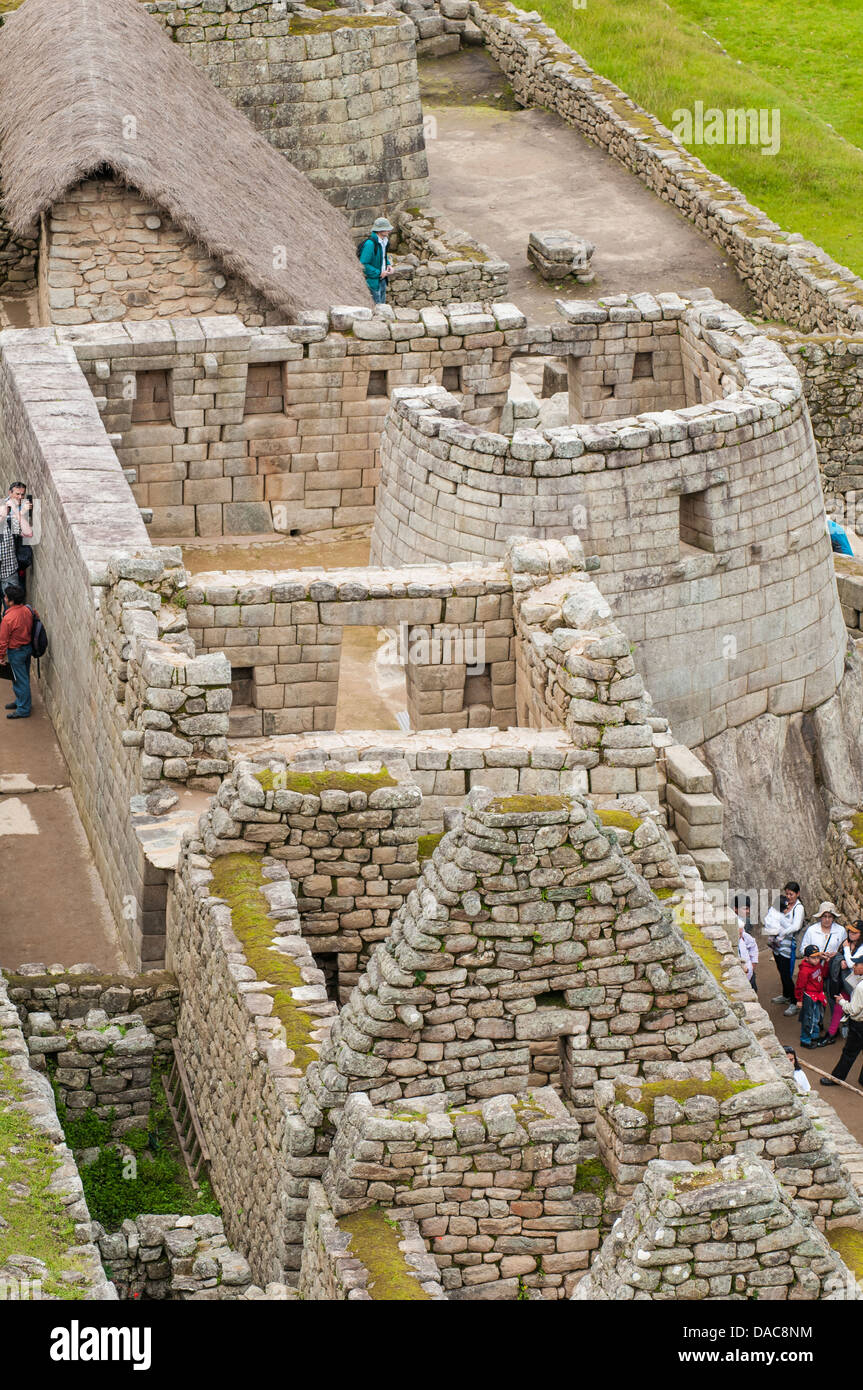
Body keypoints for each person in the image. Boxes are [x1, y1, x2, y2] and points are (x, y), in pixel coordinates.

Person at [821, 958, 863, 1089]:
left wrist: (841, 1001)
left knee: (849, 1053)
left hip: (859, 1025)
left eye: (857, 964)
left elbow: (853, 1010)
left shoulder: (861, 988)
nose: (853, 966)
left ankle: (837, 1078)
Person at [764, 883, 803, 1014]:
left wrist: (781, 933)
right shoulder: (781, 904)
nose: (788, 896)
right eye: (787, 893)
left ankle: (794, 1001)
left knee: (786, 973)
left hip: (787, 944)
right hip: (777, 944)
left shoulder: (798, 908)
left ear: (797, 894)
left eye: (791, 894)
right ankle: (786, 995)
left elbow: (796, 926)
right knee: (781, 969)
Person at [0, 583, 37, 718]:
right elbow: (35, 617)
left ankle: (23, 710)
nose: (4, 598)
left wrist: (1, 657)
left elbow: (2, 641)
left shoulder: (8, 619)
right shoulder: (28, 610)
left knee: (20, 680)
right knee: (22, 678)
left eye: (6, 597)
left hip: (16, 652)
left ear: (11, 601)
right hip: (27, 648)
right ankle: (20, 701)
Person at [825, 921, 863, 1043]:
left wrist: (846, 950)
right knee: (838, 1005)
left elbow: (852, 963)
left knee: (853, 1009)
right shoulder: (846, 943)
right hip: (845, 982)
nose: (851, 933)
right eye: (850, 931)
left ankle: (841, 1032)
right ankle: (831, 1034)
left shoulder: (859, 947)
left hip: (855, 984)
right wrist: (839, 957)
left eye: (855, 932)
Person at [0, 480, 32, 599]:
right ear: (10, 493)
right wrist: (21, 512)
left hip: (9, 569)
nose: (20, 497)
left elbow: (27, 532)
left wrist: (19, 513)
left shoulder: (9, 521)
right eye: (17, 494)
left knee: (13, 602)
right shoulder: (5, 507)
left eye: (22, 494)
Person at [795, 945, 828, 1048]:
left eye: (818, 957)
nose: (817, 959)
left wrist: (826, 962)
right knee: (808, 1018)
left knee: (817, 1017)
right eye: (813, 957)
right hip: (809, 996)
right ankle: (805, 1040)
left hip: (817, 994)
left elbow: (824, 974)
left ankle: (814, 1035)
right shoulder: (804, 971)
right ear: (807, 958)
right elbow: (799, 986)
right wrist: (799, 1000)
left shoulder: (817, 966)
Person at [359, 217, 394, 305]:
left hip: (382, 279)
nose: (389, 230)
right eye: (386, 229)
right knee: (377, 307)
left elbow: (383, 256)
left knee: (382, 305)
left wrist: (388, 265)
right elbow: (363, 264)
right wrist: (378, 273)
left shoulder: (384, 241)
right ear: (379, 231)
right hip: (373, 282)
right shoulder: (370, 244)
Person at [734, 895, 758, 992]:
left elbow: (752, 945)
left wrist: (752, 964)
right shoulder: (735, 925)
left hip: (748, 969)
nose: (748, 911)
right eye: (745, 909)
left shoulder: (744, 923)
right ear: (735, 909)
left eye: (748, 909)